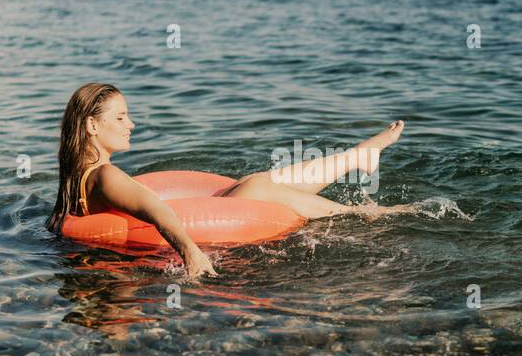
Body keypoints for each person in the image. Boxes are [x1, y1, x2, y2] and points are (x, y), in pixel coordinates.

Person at [46, 83, 407, 279]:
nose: (132, 124)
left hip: (200, 214)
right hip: (194, 230)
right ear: (93, 126)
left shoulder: (81, 177)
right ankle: (359, 212)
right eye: (122, 117)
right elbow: (155, 209)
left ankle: (358, 157)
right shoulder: (106, 175)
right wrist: (191, 253)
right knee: (260, 186)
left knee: (254, 181)